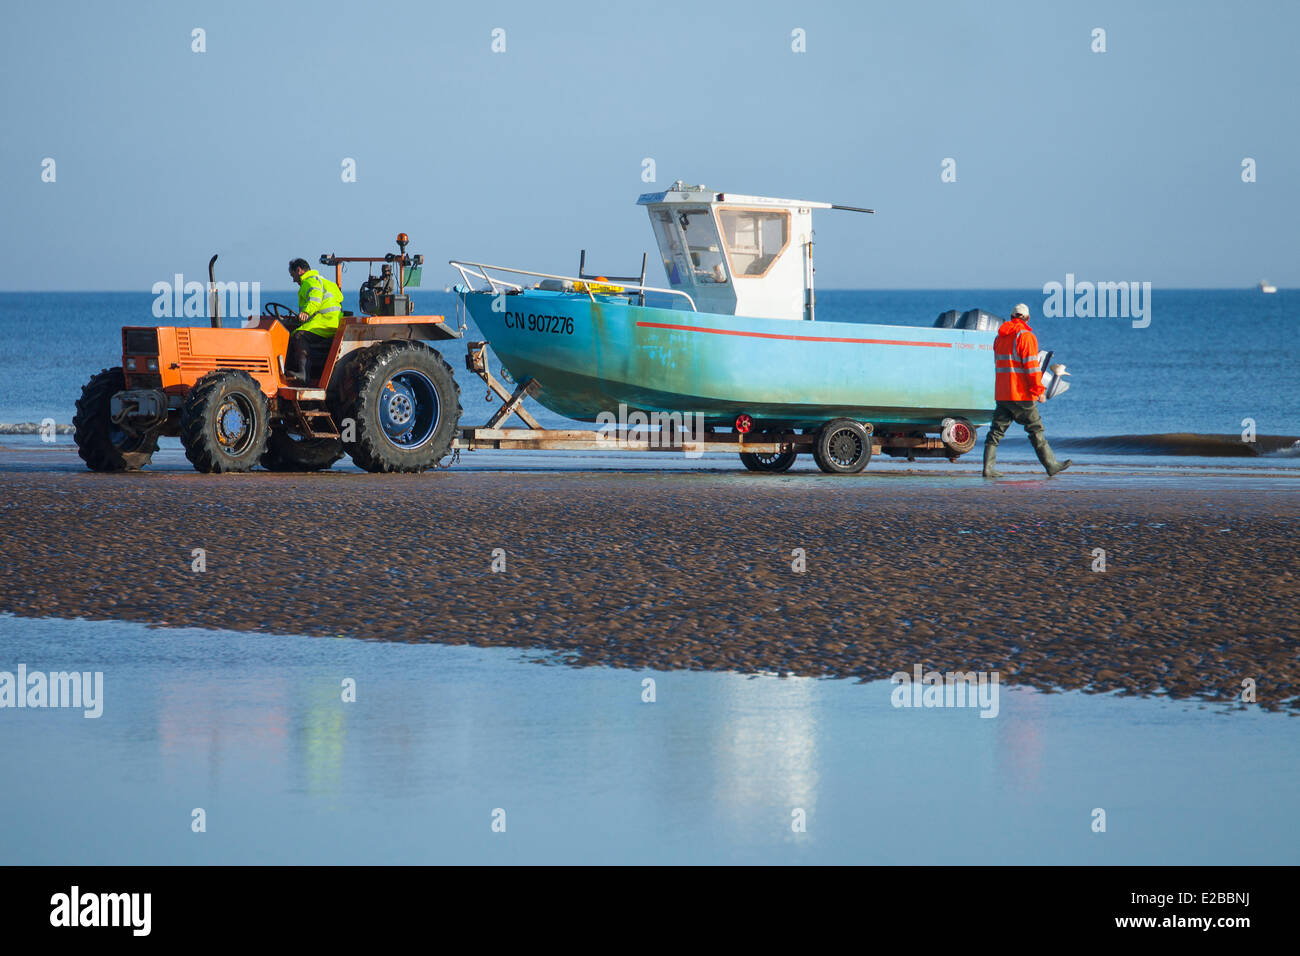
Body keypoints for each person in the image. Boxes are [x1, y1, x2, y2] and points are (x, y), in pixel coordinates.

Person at [982, 303, 1071, 478]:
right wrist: (1038, 391)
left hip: (1002, 392)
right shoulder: (1026, 336)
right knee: (1035, 429)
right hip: (1021, 394)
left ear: (1011, 316)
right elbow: (1031, 369)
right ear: (1027, 318)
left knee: (996, 432)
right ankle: (1051, 464)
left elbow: (1000, 364)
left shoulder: (999, 338)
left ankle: (988, 468)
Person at [286, 258, 343, 384]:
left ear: (299, 270)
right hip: (334, 322)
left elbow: (315, 298)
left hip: (325, 322)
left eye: (293, 275)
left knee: (298, 336)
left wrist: (306, 312)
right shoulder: (323, 281)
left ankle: (303, 374)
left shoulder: (309, 281)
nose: (293, 279)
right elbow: (339, 297)